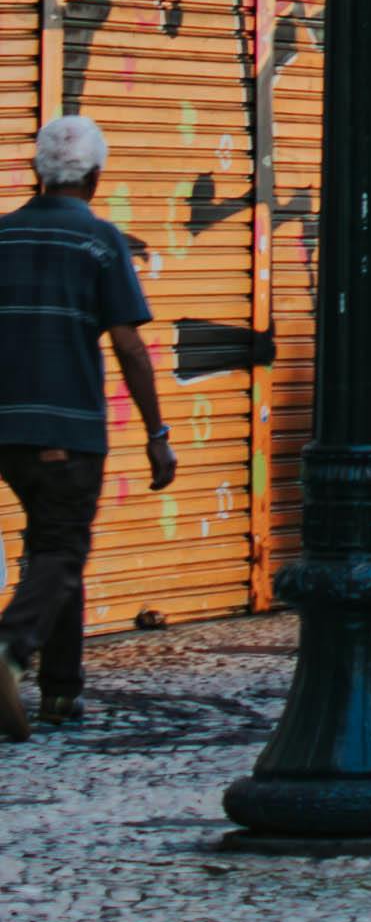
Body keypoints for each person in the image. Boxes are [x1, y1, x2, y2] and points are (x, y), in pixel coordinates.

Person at [0, 112, 175, 737]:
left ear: (35, 172)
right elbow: (128, 345)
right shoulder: (100, 242)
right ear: (96, 179)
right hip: (67, 429)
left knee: (53, 551)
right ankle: (12, 650)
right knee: (62, 547)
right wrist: (157, 434)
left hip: (7, 431)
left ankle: (60, 694)